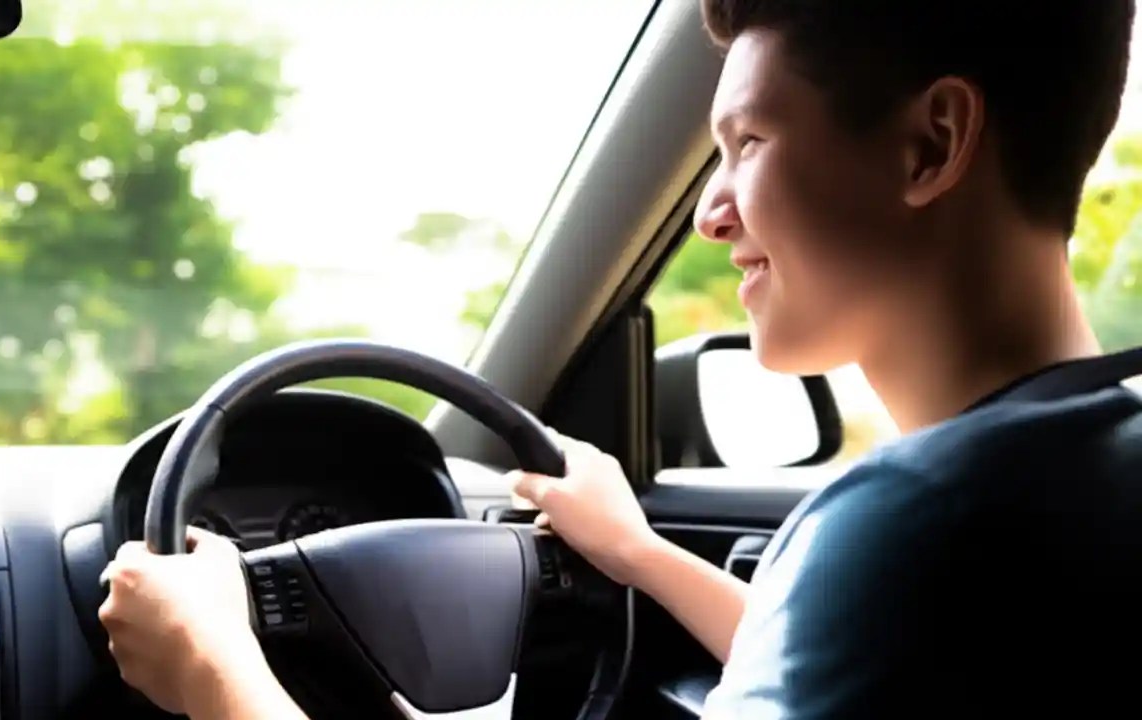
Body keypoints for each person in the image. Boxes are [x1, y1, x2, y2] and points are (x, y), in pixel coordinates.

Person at [98, 0, 1142, 717]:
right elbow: (865, 658)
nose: (706, 214)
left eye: (746, 144)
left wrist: (214, 668)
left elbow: (882, 605)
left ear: (930, 143)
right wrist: (635, 554)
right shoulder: (1077, 475)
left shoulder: (919, 525)